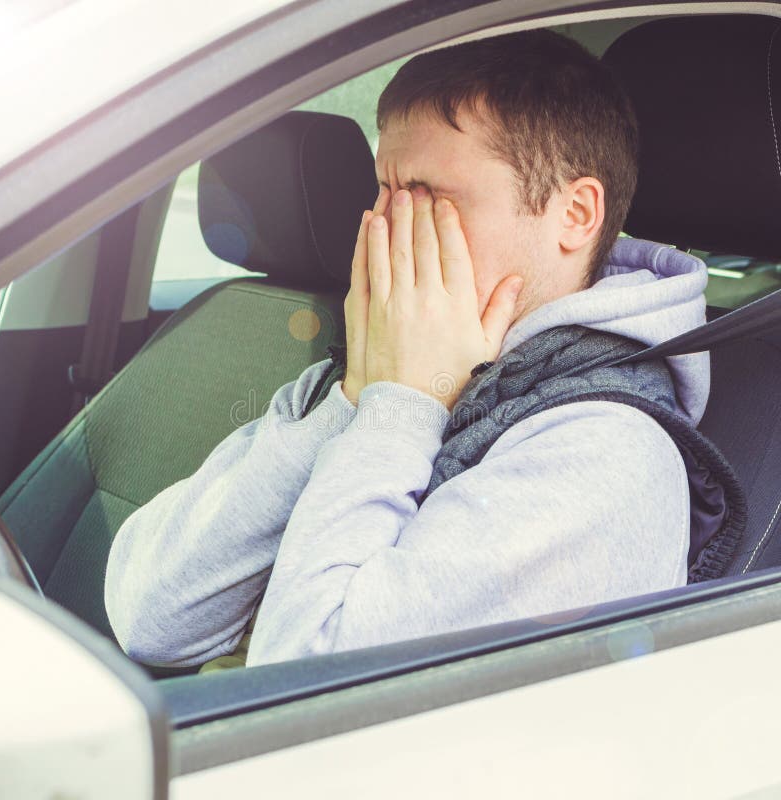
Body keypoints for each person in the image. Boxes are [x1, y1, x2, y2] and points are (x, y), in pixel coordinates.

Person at [104, 30, 727, 670]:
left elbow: (301, 683)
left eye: (431, 197)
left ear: (575, 214)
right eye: (384, 189)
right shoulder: (367, 369)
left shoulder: (605, 454)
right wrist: (356, 400)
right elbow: (152, 618)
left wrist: (402, 406)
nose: (386, 226)